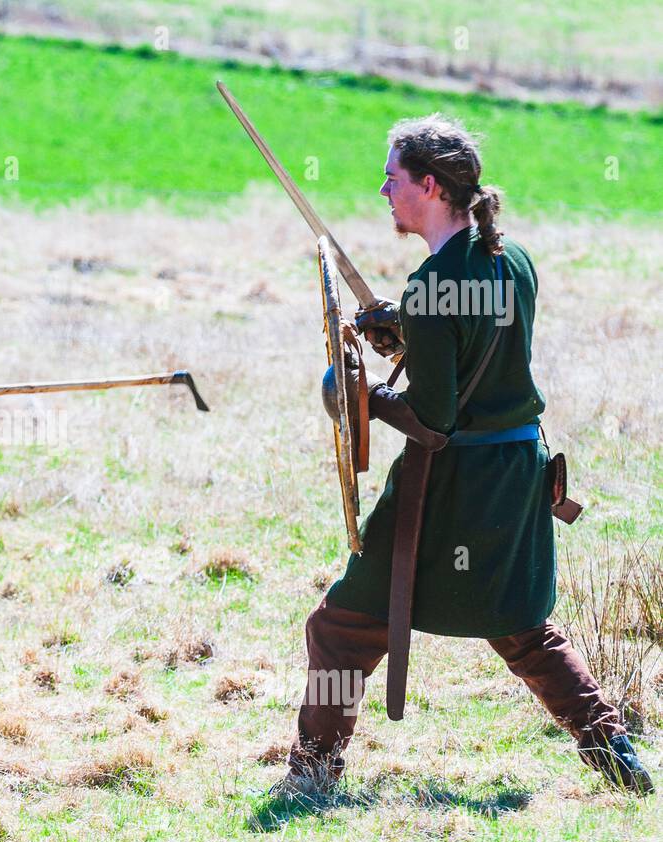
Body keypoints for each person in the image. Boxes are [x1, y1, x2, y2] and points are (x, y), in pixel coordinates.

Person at [277, 114, 652, 798]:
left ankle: (313, 770)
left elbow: (435, 417)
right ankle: (614, 747)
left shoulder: (431, 285)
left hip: (449, 487)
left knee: (344, 625)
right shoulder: (515, 261)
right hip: (517, 475)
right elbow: (481, 348)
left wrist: (357, 396)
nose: (383, 191)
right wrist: (410, 332)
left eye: (393, 178)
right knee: (521, 628)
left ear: (428, 184)